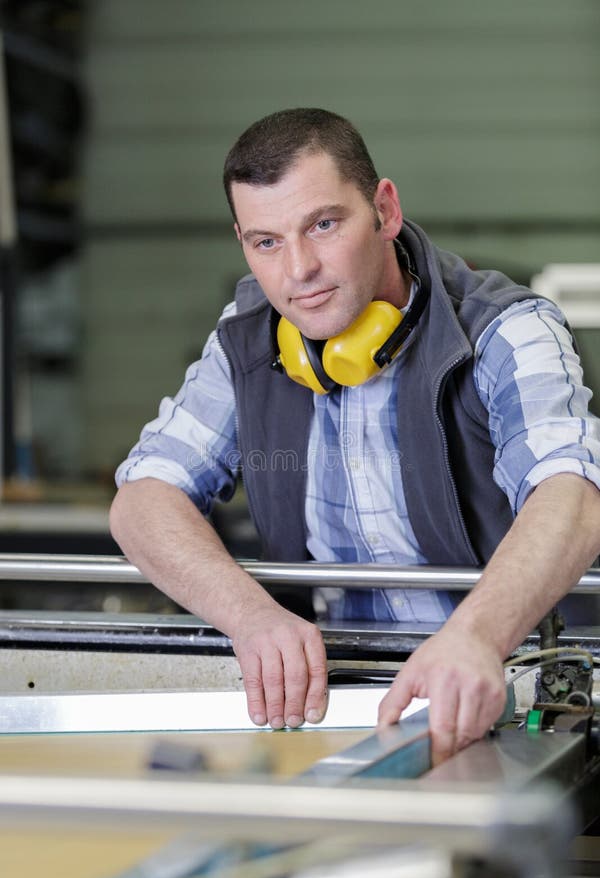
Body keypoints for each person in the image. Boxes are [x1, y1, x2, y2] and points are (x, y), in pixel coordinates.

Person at [110, 108, 600, 765]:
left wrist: (478, 635)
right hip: (340, 706)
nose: (298, 270)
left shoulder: (504, 328)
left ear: (385, 211)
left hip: (511, 689)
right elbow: (142, 499)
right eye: (266, 242)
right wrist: (251, 617)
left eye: (323, 224)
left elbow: (574, 496)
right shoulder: (247, 339)